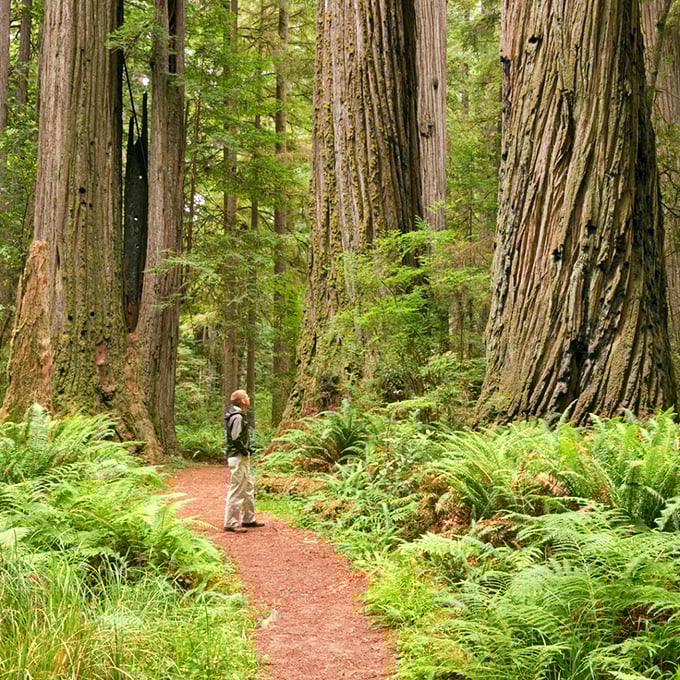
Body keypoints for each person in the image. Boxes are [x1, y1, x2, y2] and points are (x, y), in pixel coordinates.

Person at [223, 389, 265, 533]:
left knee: (248, 487)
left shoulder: (239, 415)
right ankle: (231, 522)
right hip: (237, 456)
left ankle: (249, 519)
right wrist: (244, 450)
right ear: (242, 401)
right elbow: (235, 437)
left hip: (242, 456)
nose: (249, 398)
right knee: (237, 488)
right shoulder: (237, 417)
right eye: (246, 396)